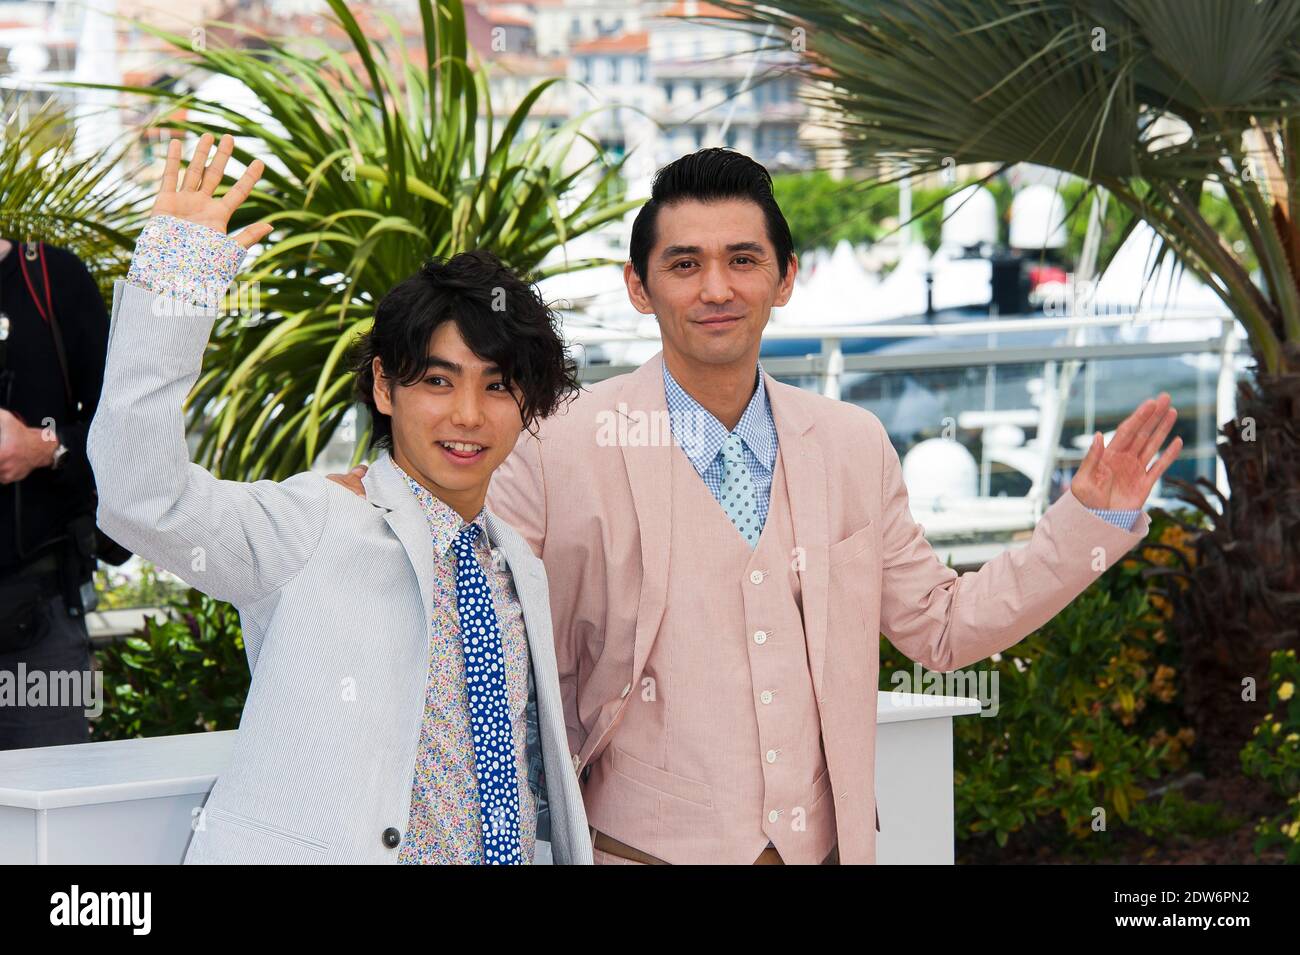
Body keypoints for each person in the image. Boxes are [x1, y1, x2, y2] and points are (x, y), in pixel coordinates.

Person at [333, 148, 1182, 864]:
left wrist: (1090, 527)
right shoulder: (556, 445)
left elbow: (944, 628)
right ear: (639, 285)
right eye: (685, 263)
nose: (716, 287)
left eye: (743, 260)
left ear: (784, 279)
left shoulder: (852, 443)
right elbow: (481, 640)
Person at [87, 132, 591, 864]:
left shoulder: (518, 565)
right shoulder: (314, 522)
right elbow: (140, 495)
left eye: (499, 386)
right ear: (385, 386)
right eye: (438, 381)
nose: (468, 416)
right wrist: (176, 276)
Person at [0, 232, 114, 751]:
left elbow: (128, 430)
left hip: (37, 622)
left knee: (50, 817)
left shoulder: (52, 277)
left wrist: (42, 447)